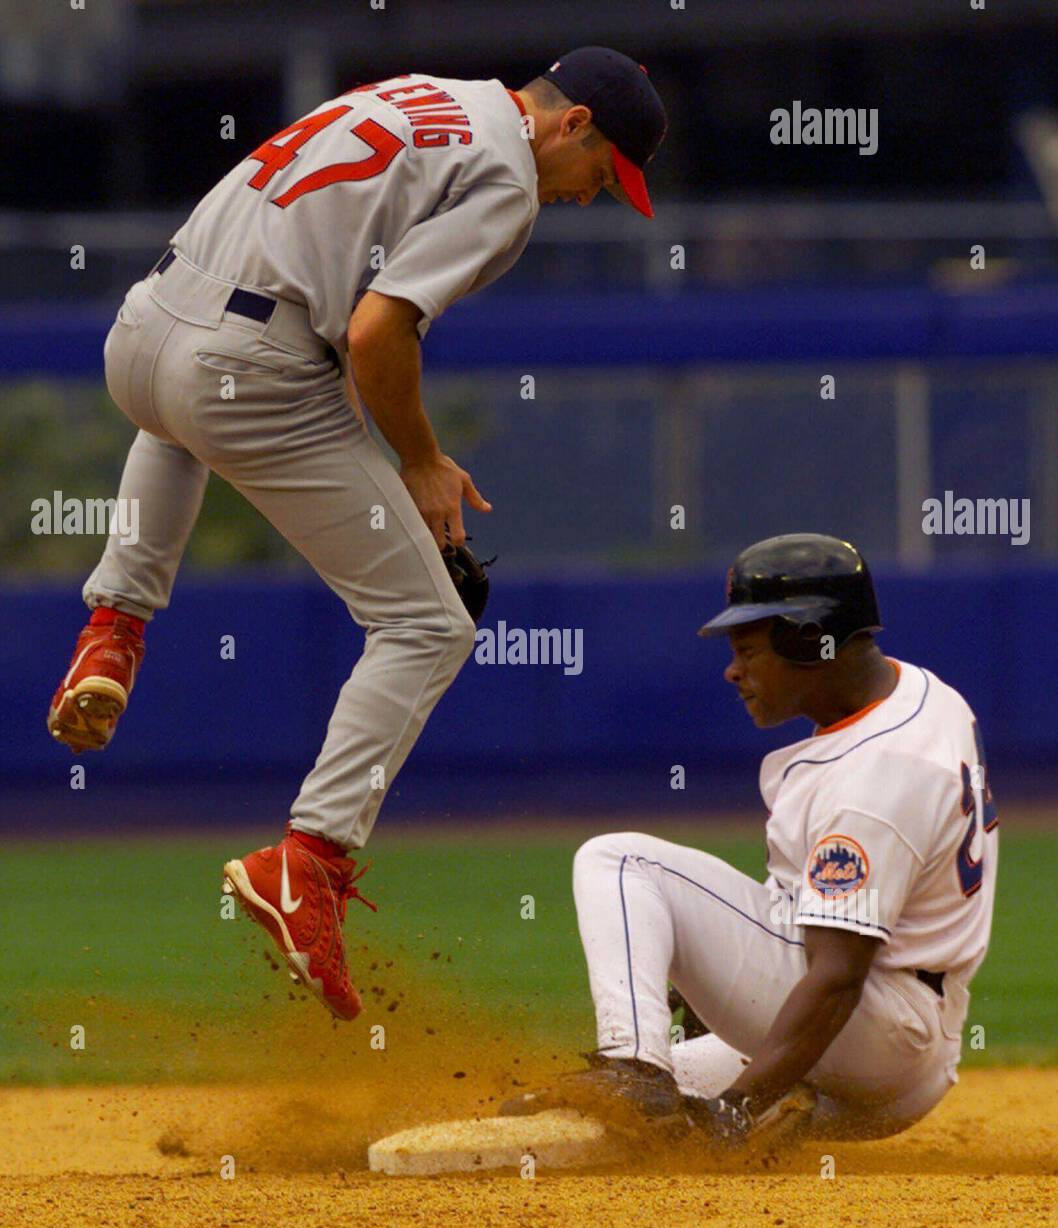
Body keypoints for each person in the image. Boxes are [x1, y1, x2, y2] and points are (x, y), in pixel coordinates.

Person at [46, 48, 667, 1021]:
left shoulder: (417, 94)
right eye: (604, 175)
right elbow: (379, 333)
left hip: (146, 332)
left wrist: (399, 454)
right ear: (570, 122)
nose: (591, 197)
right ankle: (310, 861)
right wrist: (417, 461)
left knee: (175, 419)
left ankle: (113, 628)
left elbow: (327, 300)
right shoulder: (507, 176)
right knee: (430, 624)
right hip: (249, 366)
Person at [504, 534, 998, 1151]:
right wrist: (700, 957)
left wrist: (734, 1112)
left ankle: (635, 1070)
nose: (732, 669)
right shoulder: (920, 694)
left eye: (747, 648)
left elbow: (838, 976)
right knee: (582, 1119)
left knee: (618, 859)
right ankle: (768, 1105)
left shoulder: (873, 782)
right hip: (908, 1046)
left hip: (872, 1028)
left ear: (804, 638)